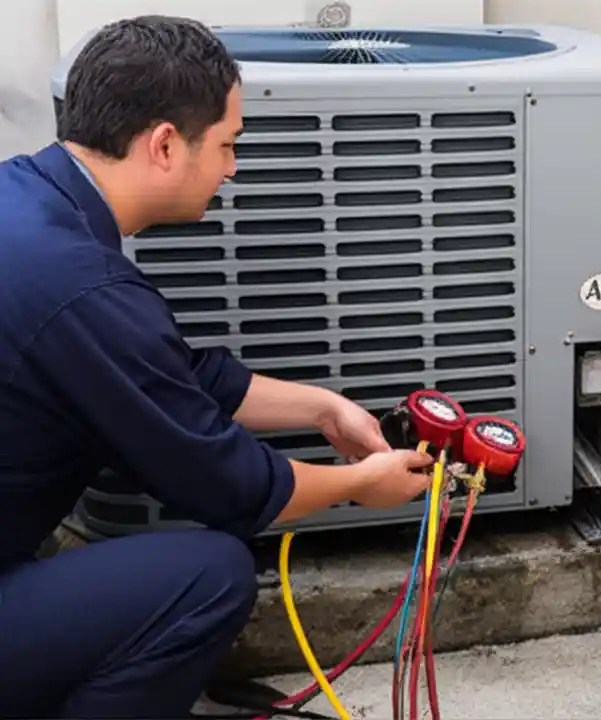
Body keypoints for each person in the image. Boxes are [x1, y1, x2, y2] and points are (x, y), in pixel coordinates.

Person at [0, 15, 435, 718]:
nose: (233, 169)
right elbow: (231, 487)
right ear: (165, 144)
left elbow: (168, 375)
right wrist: (361, 485)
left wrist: (323, 408)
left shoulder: (27, 202)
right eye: (229, 145)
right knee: (211, 575)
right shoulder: (83, 287)